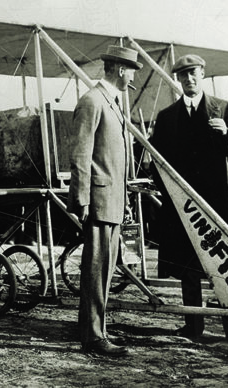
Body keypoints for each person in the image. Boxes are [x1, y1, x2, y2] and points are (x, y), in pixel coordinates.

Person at [149, 54, 228, 345]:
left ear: (202, 74)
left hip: (218, 204)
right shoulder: (167, 117)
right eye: (182, 75)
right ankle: (193, 326)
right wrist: (170, 194)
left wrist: (226, 133)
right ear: (178, 80)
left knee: (226, 265)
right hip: (185, 207)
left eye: (193, 73)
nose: (188, 79)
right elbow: (156, 161)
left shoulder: (224, 108)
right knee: (189, 266)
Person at [67, 45, 141, 357]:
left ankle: (96, 330)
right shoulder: (92, 101)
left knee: (105, 272)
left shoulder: (112, 102)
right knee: (96, 273)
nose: (133, 77)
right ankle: (93, 336)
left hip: (112, 200)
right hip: (97, 201)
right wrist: (81, 199)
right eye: (132, 71)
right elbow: (81, 154)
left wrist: (124, 201)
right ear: (121, 69)